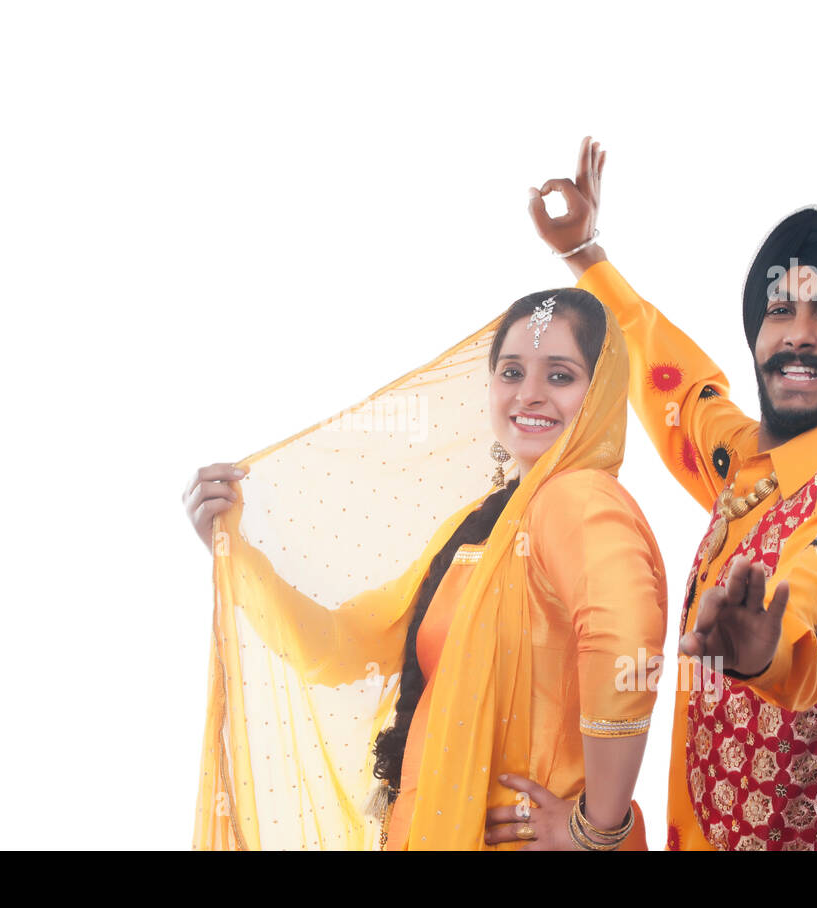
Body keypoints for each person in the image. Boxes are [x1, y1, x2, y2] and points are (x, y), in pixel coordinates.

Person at [528, 136, 817, 850]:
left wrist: (773, 645)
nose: (797, 337)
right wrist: (587, 257)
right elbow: (671, 379)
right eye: (780, 310)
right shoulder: (748, 463)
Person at [184, 285, 667, 850]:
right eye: (511, 372)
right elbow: (347, 647)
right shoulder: (484, 524)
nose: (530, 395)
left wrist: (597, 829)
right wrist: (235, 550)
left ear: (602, 392)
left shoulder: (577, 497)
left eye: (560, 376)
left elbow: (628, 646)